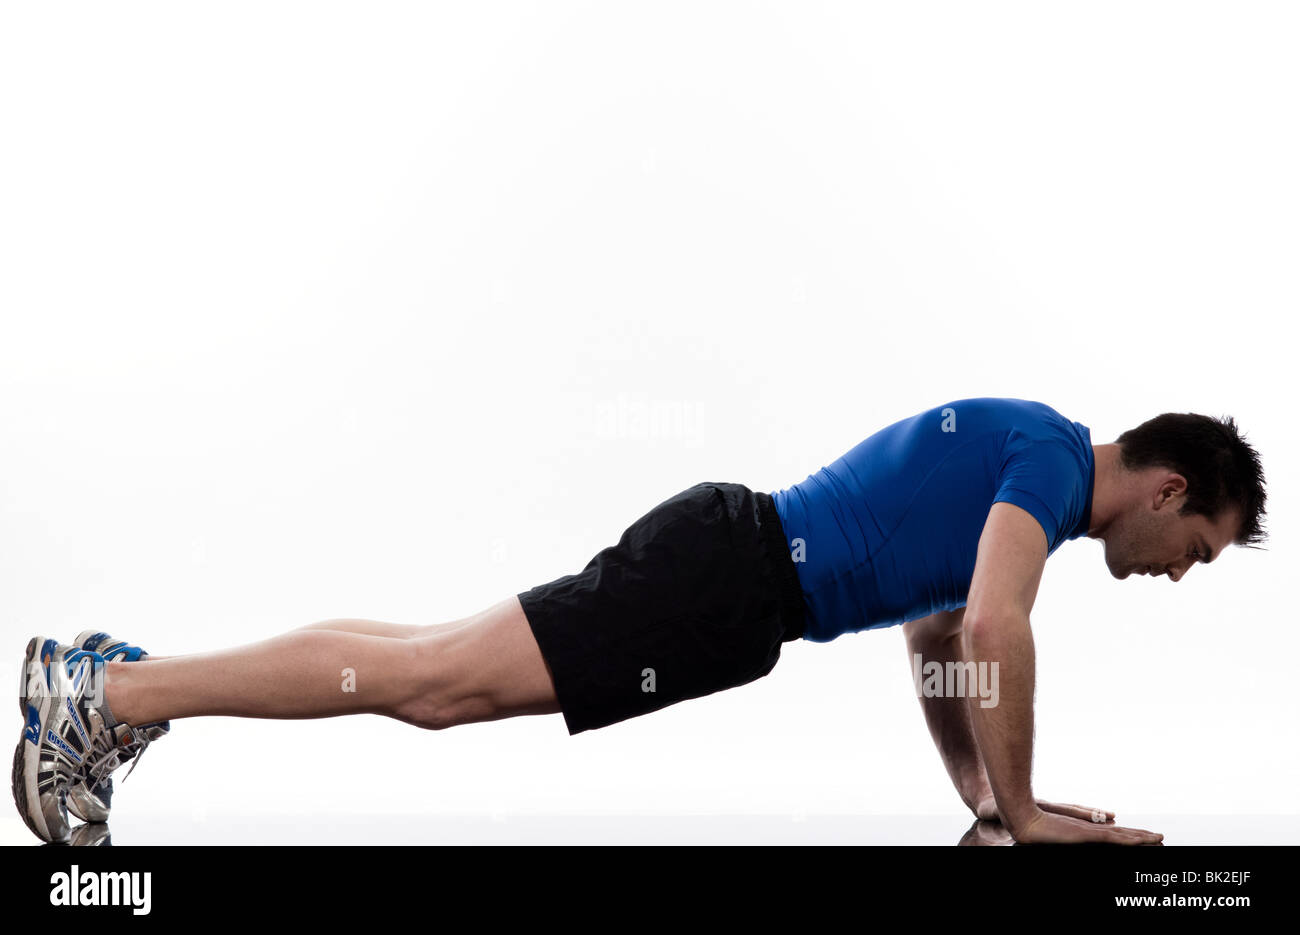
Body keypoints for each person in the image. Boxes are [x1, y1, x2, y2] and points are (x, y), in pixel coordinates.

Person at [14, 397, 1266, 845]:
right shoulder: (1047, 466)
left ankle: (123, 681)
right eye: (1195, 547)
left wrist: (983, 801)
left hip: (726, 576)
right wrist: (1032, 811)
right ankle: (108, 699)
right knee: (432, 683)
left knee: (421, 662)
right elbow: (997, 633)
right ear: (1167, 489)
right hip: (723, 577)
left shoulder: (1024, 472)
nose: (1178, 569)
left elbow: (943, 637)